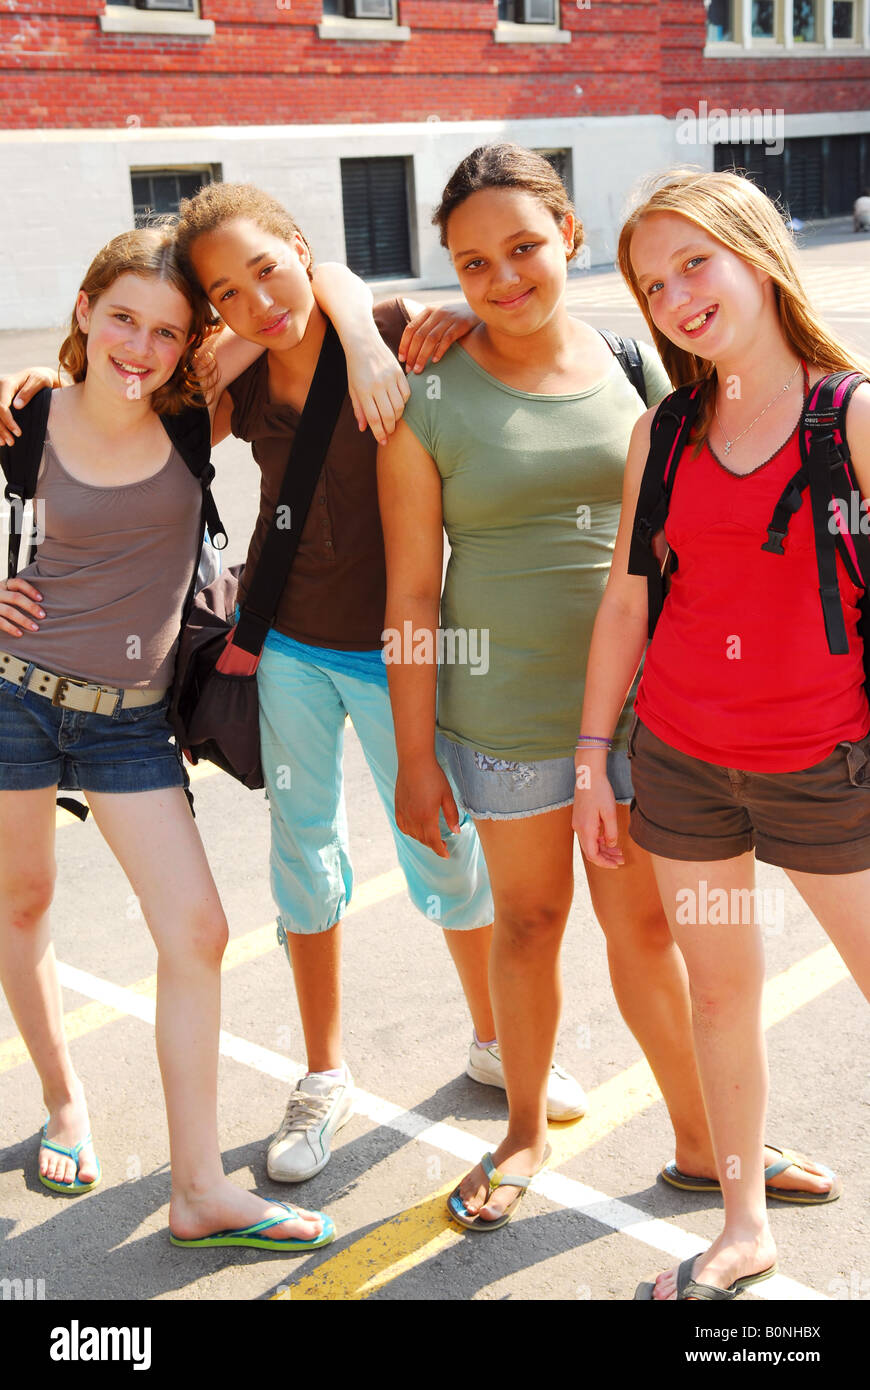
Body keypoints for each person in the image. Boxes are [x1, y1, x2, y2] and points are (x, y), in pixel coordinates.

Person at [378, 143, 839, 1231]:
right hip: (503, 719)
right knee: (529, 923)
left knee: (648, 933)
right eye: (473, 262)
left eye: (524, 248)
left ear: (570, 237)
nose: (503, 279)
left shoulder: (639, 361)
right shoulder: (427, 397)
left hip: (652, 709)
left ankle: (704, 1142)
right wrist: (410, 755)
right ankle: (527, 1128)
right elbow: (409, 599)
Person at [169, 182, 588, 1184]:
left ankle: (494, 1039)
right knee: (304, 865)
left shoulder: (404, 329)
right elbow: (143, 385)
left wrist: (360, 327)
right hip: (292, 654)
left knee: (445, 850)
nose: (258, 300)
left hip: (408, 652)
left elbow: (357, 289)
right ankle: (323, 1073)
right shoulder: (243, 376)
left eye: (268, 268)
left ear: (303, 250)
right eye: (228, 293)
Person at [0, 227, 332, 1252]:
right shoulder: (24, 418)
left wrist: (367, 326)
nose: (138, 348)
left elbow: (311, 293)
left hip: (133, 723)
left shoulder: (190, 414)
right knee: (23, 901)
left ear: (192, 343)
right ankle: (65, 1102)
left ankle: (199, 1190)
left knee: (196, 931)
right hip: (14, 699)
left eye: (167, 330)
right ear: (86, 316)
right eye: (121, 320)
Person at [574, 167, 870, 1298]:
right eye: (652, 283)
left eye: (695, 260)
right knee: (719, 996)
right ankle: (742, 1219)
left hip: (827, 767)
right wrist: (595, 757)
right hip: (688, 769)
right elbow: (625, 604)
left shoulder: (850, 415)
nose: (676, 295)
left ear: (755, 253)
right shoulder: (668, 427)